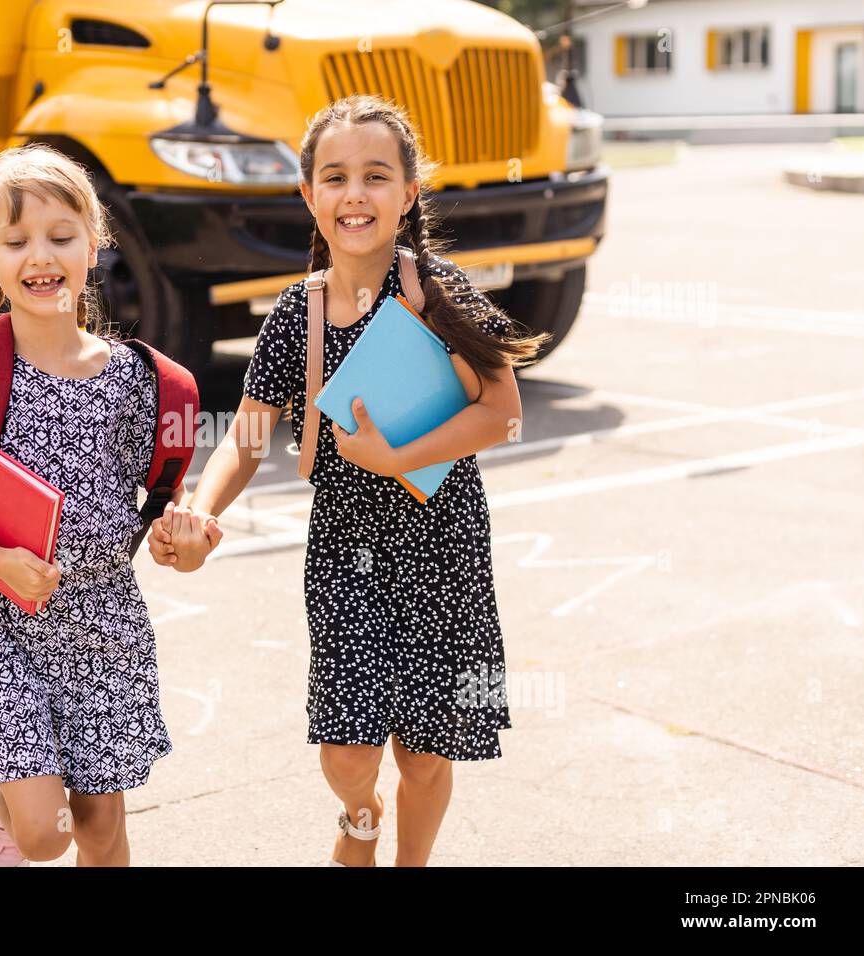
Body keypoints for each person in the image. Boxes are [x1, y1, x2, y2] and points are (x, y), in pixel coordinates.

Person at [149, 94, 549, 866]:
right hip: (345, 552)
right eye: (334, 178)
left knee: (428, 752)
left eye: (375, 176)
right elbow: (249, 435)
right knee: (347, 752)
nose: (355, 195)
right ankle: (359, 816)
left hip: (444, 546)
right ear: (309, 197)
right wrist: (197, 510)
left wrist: (397, 458)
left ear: (408, 193)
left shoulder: (438, 295)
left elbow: (502, 413)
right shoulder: (298, 312)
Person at [0, 143, 181, 867]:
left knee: (102, 830)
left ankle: (16, 789)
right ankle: (4, 795)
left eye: (60, 236)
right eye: (16, 241)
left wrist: (190, 537)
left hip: (103, 623)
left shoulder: (135, 379)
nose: (40, 257)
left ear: (94, 242)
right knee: (45, 835)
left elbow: (163, 507)